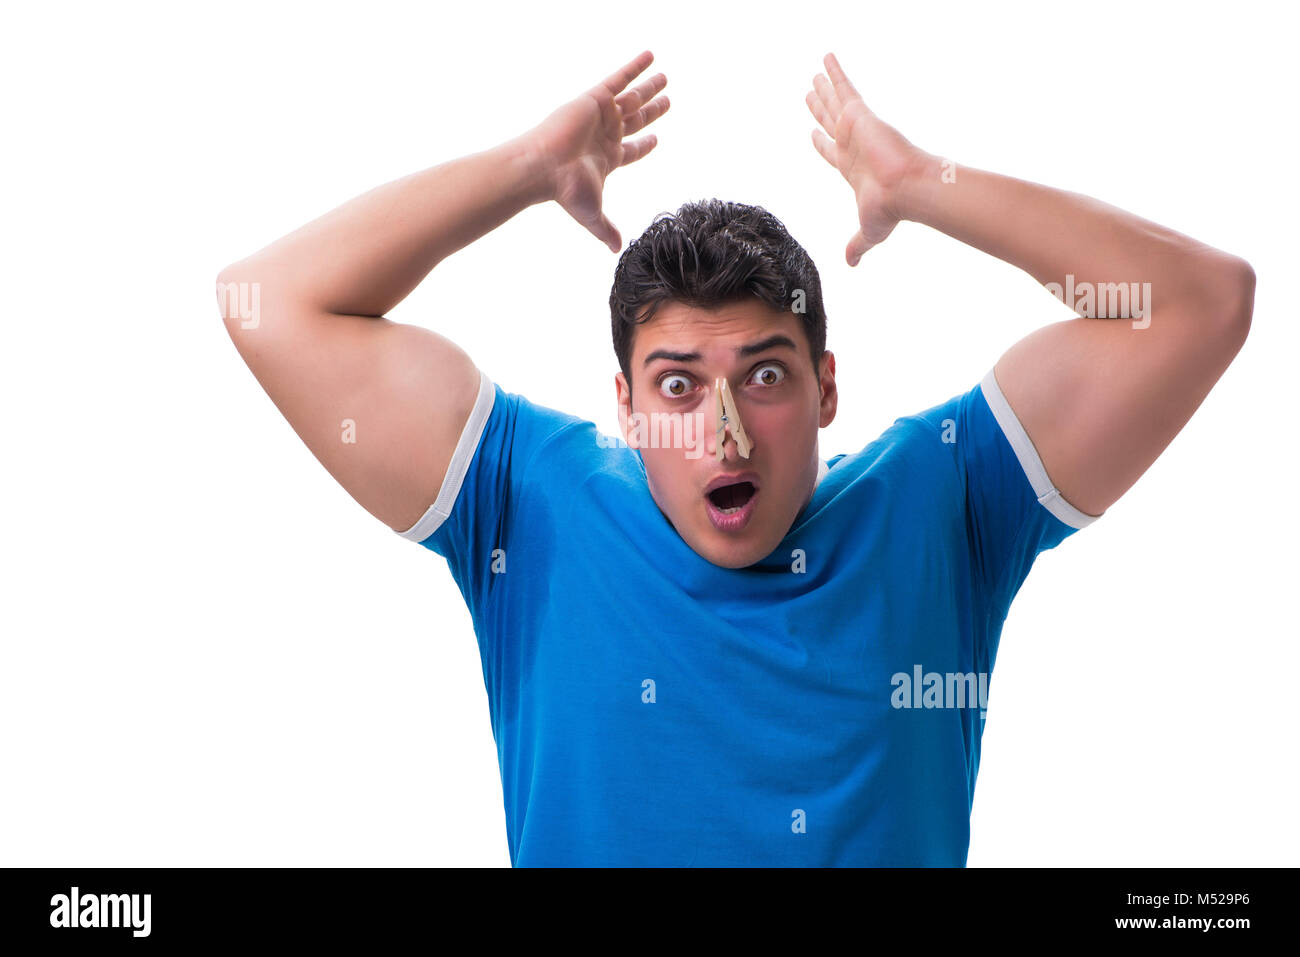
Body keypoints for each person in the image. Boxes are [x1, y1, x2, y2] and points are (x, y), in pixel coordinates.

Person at [215, 50, 1255, 866]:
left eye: (764, 377)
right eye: (677, 386)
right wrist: (524, 169)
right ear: (623, 405)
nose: (724, 431)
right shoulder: (527, 510)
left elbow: (1200, 305)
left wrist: (915, 183)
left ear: (825, 388)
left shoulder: (943, 500)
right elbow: (271, 302)